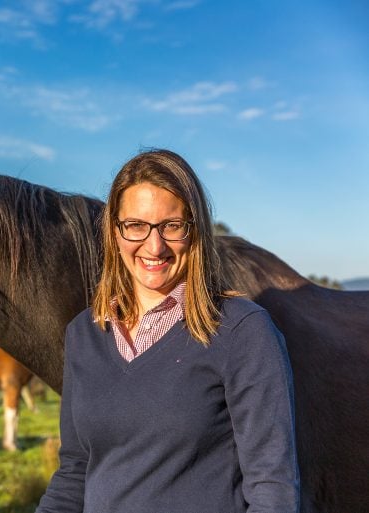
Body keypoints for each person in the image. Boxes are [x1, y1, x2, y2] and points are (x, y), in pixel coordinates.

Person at [36, 149, 299, 512]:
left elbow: (273, 489)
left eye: (172, 226)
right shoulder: (84, 333)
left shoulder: (241, 330)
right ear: (114, 232)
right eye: (136, 225)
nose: (154, 245)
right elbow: (74, 474)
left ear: (195, 231)